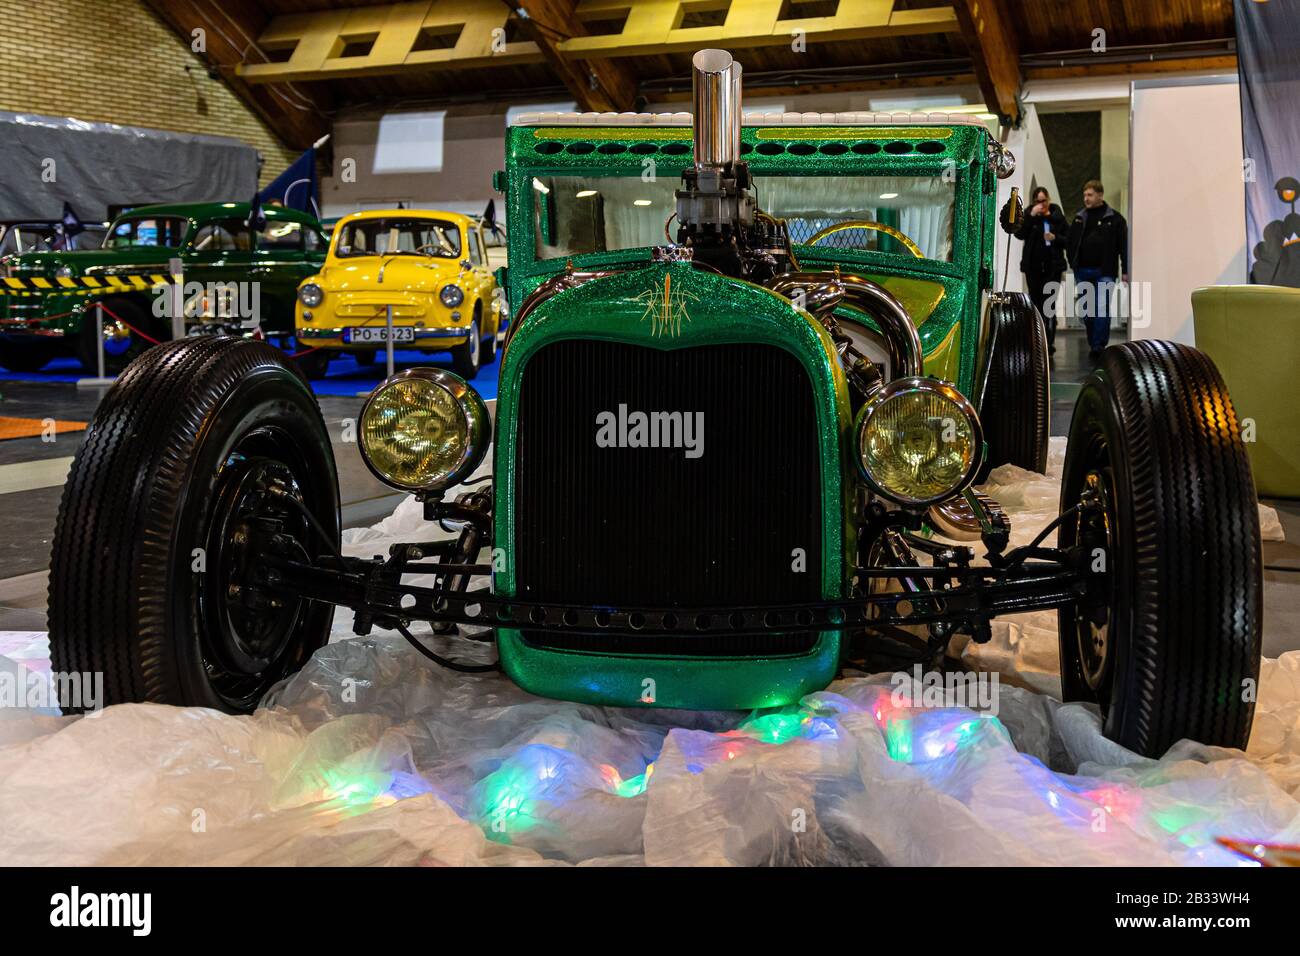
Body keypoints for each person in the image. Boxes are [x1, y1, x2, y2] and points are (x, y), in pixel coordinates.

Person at [1066, 179, 1129, 358]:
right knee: (1087, 311)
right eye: (1085, 195)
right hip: (1082, 271)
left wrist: (1125, 270)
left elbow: (1123, 247)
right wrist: (1073, 263)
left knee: (1101, 308)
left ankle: (1098, 345)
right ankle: (1093, 340)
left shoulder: (1115, 219)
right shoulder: (1079, 218)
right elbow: (1070, 243)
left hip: (1105, 272)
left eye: (1090, 195)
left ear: (1100, 195)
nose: (1086, 198)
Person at [1014, 186, 1068, 353]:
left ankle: (1049, 343)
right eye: (1038, 201)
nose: (1041, 204)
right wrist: (1030, 216)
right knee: (1036, 305)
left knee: (1049, 306)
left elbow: (1069, 239)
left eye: (1044, 201)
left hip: (1053, 268)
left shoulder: (1057, 217)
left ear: (1049, 200)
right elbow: (1019, 233)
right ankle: (1037, 340)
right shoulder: (1029, 216)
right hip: (1033, 269)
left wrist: (1055, 238)